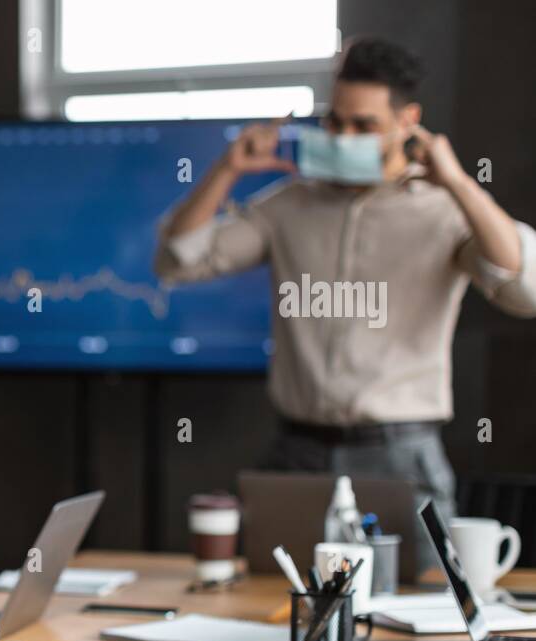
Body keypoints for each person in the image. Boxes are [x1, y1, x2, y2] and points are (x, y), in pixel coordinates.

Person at [154, 37, 536, 533]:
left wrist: (460, 184)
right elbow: (177, 261)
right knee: (270, 602)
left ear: (407, 120)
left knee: (420, 604)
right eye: (335, 121)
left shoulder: (443, 211)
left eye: (364, 125)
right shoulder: (289, 204)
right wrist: (227, 170)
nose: (343, 135)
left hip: (400, 456)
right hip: (298, 453)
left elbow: (524, 289)